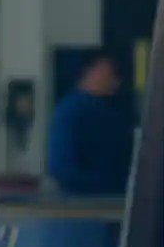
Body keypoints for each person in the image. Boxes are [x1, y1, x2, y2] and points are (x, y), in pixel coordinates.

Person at [46, 50, 133, 196]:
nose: (115, 80)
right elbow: (62, 168)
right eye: (109, 72)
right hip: (84, 204)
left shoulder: (111, 112)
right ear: (90, 72)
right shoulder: (71, 110)